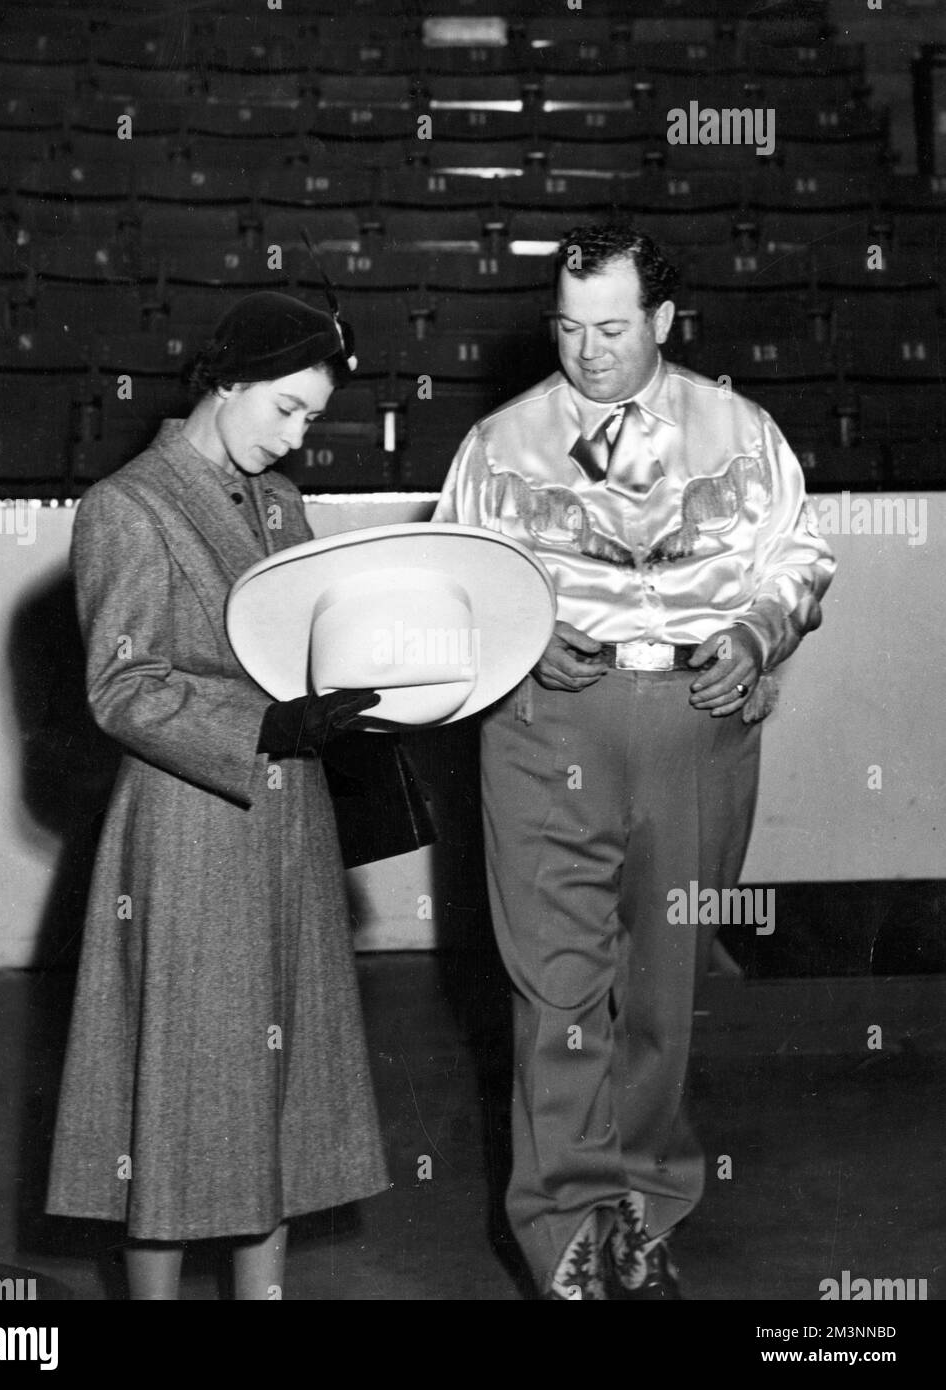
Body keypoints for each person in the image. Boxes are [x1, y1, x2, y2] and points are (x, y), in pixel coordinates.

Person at [432, 224, 836, 1300]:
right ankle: (563, 1228)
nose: (587, 350)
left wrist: (756, 635)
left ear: (661, 320)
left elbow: (798, 553)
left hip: (696, 718)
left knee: (664, 984)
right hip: (543, 719)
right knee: (555, 982)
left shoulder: (739, 429)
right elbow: (449, 580)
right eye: (567, 327)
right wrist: (509, 638)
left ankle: (644, 1208)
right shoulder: (498, 442)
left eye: (612, 327)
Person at [46, 291, 388, 1299]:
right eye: (284, 407)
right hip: (190, 827)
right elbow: (123, 685)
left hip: (291, 828)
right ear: (225, 383)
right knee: (180, 1100)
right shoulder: (127, 507)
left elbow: (309, 647)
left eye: (310, 419)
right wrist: (261, 726)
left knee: (272, 1100)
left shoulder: (281, 504)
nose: (295, 434)